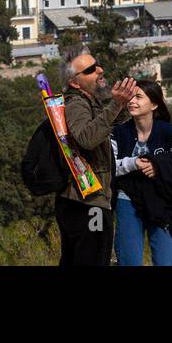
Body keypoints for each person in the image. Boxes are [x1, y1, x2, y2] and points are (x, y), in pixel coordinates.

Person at [55, 47, 136, 266]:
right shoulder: (76, 104)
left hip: (86, 201)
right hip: (87, 203)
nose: (100, 70)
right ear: (75, 82)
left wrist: (122, 103)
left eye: (97, 64)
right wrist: (116, 104)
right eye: (91, 69)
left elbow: (109, 125)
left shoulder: (91, 102)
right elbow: (87, 138)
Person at [111, 79, 172, 266]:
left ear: (154, 104)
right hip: (127, 198)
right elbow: (110, 166)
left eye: (139, 97)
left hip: (161, 199)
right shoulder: (118, 133)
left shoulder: (168, 132)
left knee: (167, 258)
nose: (132, 101)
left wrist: (158, 165)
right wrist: (134, 163)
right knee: (128, 258)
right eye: (130, 97)